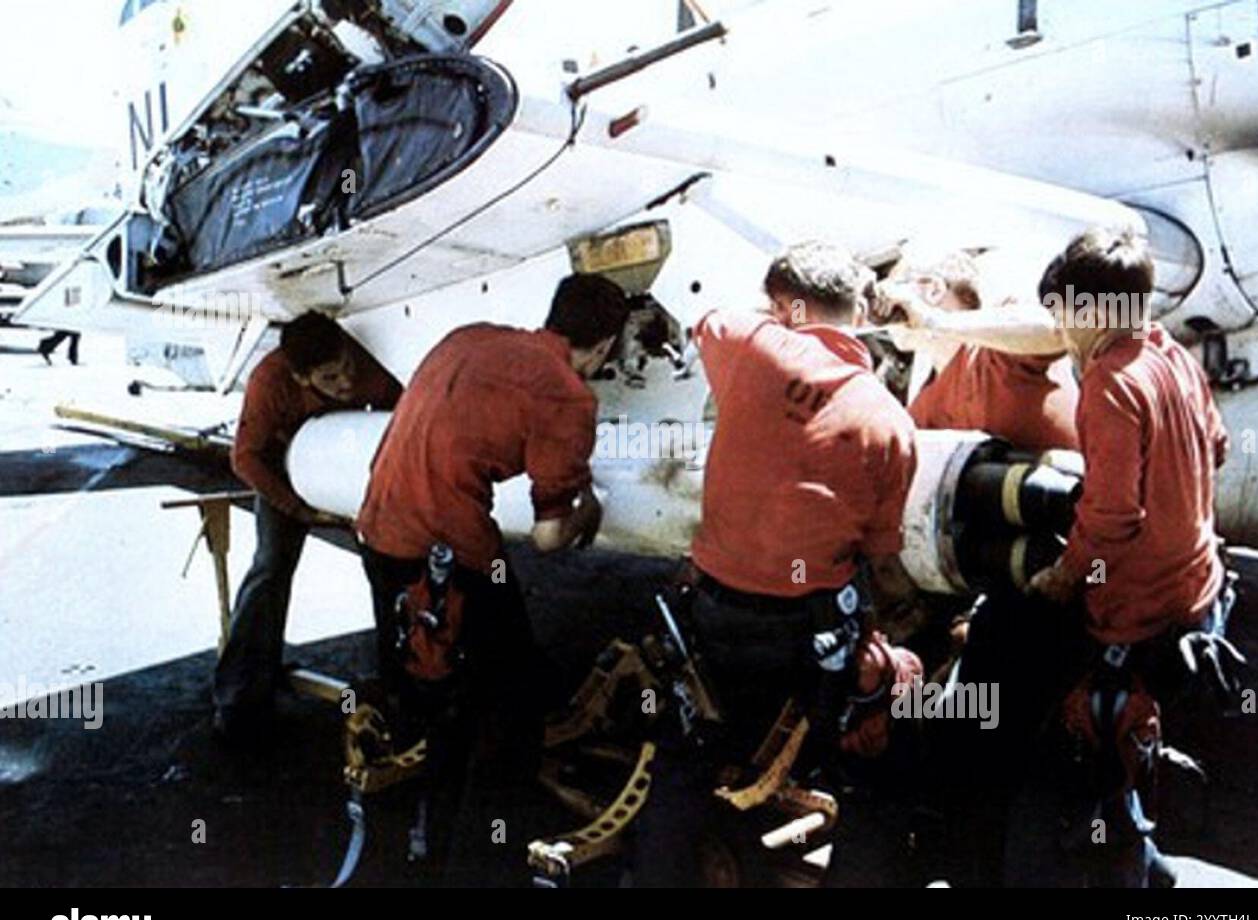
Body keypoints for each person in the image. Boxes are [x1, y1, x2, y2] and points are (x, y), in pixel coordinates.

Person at [945, 227, 1234, 886]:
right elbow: (1214, 447)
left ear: (1091, 312)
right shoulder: (1173, 355)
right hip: (1196, 594)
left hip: (1135, 616)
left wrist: (1061, 576)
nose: (1060, 332)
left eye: (1062, 315)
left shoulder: (1108, 382)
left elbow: (1110, 518)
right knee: (1117, 766)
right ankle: (1150, 873)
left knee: (1063, 768)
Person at [634, 241, 921, 887]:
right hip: (810, 640)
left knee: (682, 763)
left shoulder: (748, 344)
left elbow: (711, 316)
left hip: (714, 616)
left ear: (783, 306)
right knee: (877, 754)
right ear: (857, 313)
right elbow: (883, 560)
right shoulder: (891, 422)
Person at [354, 272, 628, 886]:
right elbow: (549, 540)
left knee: (438, 695)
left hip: (376, 534)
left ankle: (426, 842)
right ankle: (482, 862)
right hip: (446, 559)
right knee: (512, 706)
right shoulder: (568, 397)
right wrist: (592, 505)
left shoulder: (469, 337)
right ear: (607, 345)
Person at [214, 312, 402, 742]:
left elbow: (403, 415)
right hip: (285, 470)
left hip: (351, 467)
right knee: (270, 569)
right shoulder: (270, 381)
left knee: (389, 562)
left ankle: (401, 685)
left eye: (348, 369)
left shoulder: (364, 362)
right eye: (331, 378)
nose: (346, 384)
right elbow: (244, 457)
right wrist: (296, 509)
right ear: (301, 377)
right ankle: (239, 698)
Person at [874, 246, 1080, 453]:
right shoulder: (925, 409)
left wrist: (935, 321)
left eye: (893, 288)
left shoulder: (1003, 342)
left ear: (933, 289)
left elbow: (1055, 330)